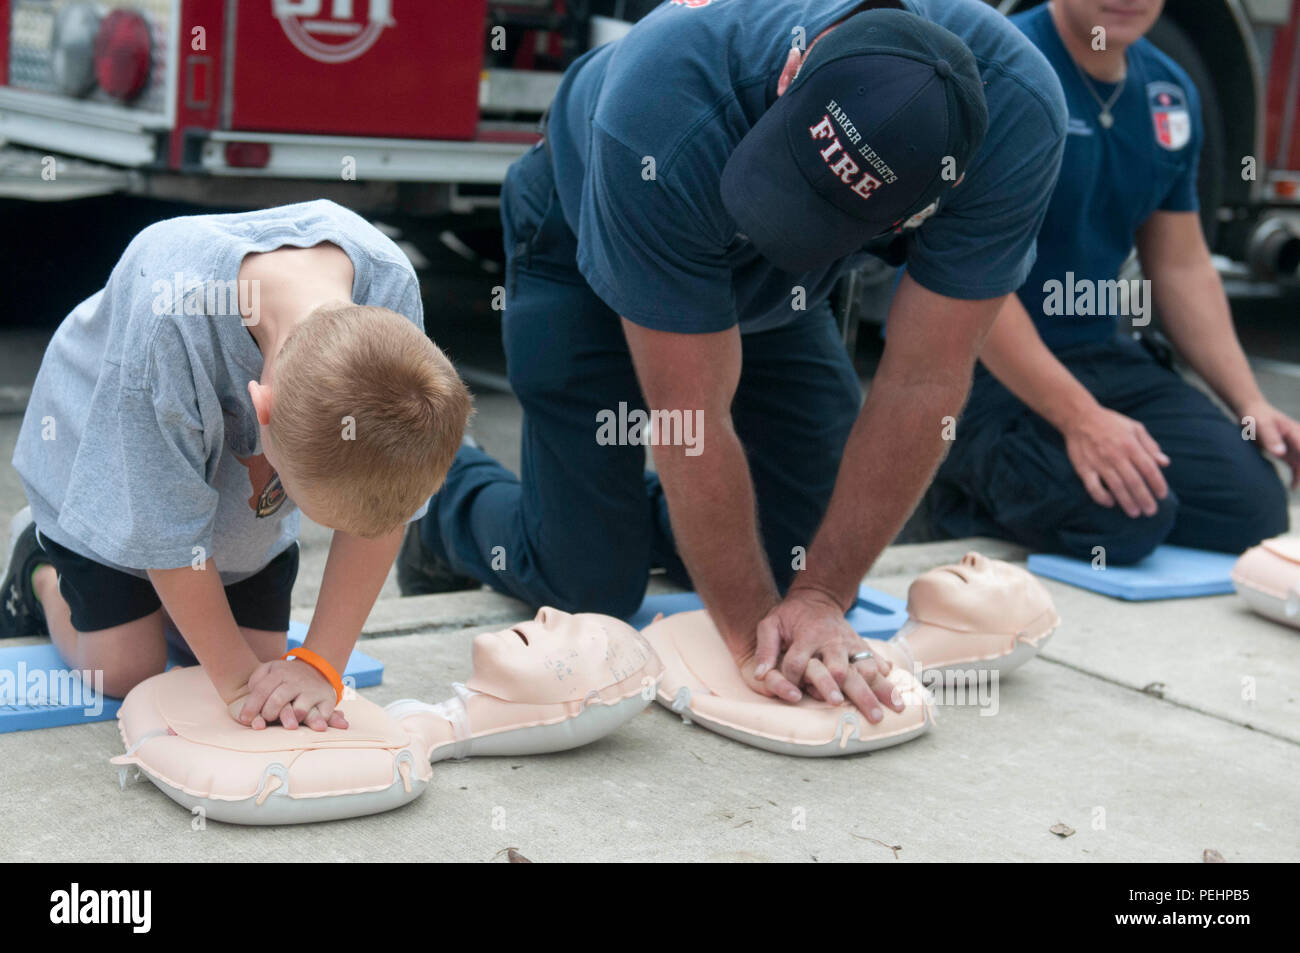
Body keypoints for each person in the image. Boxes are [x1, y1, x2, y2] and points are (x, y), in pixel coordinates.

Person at [402, 0, 1067, 721]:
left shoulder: (1018, 119)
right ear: (792, 69)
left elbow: (923, 379)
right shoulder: (663, 102)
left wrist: (819, 598)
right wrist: (758, 636)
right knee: (591, 586)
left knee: (804, 555)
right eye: (788, 186)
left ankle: (627, 519)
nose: (781, 224)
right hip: (594, 231)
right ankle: (446, 501)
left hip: (782, 293)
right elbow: (691, 421)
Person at [0, 200, 472, 730]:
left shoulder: (388, 289)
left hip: (222, 497)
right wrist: (239, 687)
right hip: (103, 456)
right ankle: (35, 567)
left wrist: (320, 665)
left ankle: (171, 604)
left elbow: (385, 507)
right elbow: (166, 532)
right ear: (260, 405)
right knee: (126, 669)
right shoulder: (171, 319)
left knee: (262, 655)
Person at [927, 0, 1295, 564]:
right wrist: (1081, 419)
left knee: (1251, 509)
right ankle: (955, 481)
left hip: (1098, 354)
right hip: (976, 366)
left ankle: (1055, 468)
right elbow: (965, 274)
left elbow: (1180, 266)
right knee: (1122, 522)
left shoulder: (1168, 91)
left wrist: (1251, 405)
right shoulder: (998, 71)